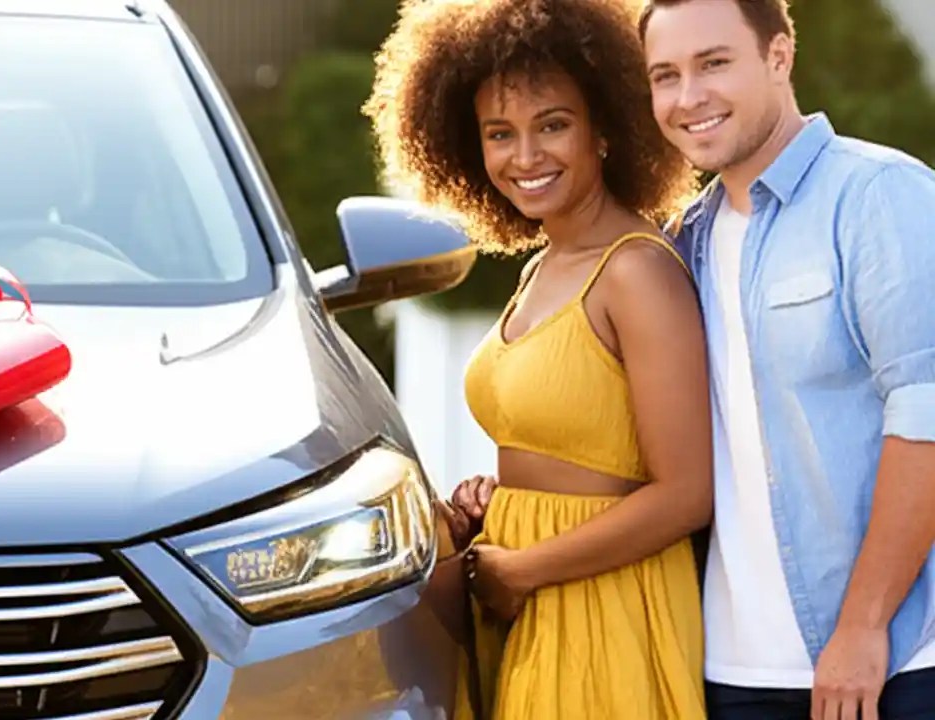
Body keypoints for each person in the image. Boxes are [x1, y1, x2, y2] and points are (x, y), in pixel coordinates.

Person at [363, 1, 714, 717]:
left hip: (604, 607)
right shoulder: (544, 266)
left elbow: (687, 493)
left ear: (605, 129)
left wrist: (524, 566)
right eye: (500, 133)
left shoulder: (635, 272)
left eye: (552, 124)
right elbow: (574, 446)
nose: (525, 157)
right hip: (524, 597)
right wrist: (497, 508)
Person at [638, 1, 935, 718]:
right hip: (735, 670)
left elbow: (926, 420)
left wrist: (863, 626)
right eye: (665, 76)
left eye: (714, 64)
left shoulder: (878, 196)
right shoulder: (686, 241)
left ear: (779, 56)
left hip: (891, 665)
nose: (688, 98)